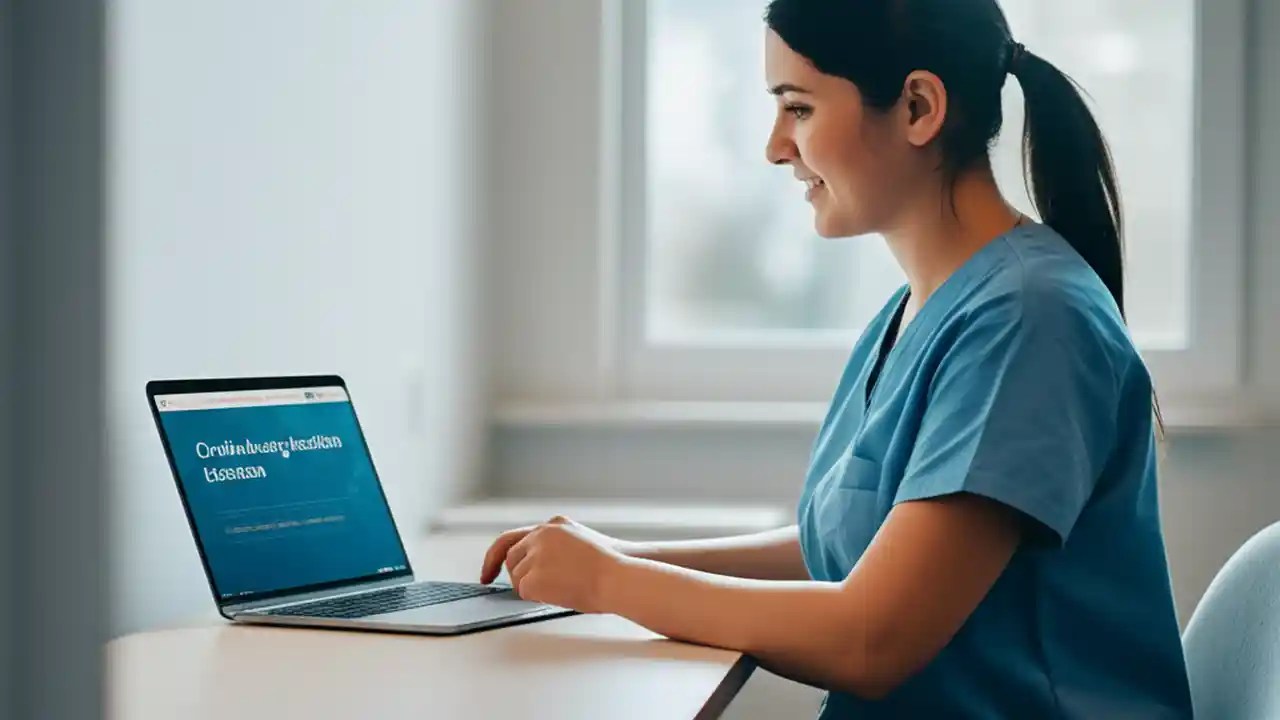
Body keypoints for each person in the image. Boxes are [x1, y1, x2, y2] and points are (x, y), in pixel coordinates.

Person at [479, 0, 1193, 716]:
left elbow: (872, 640)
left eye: (799, 108)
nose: (774, 147)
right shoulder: (926, 308)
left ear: (918, 107)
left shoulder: (1030, 320)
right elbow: (850, 550)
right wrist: (618, 557)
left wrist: (611, 582)